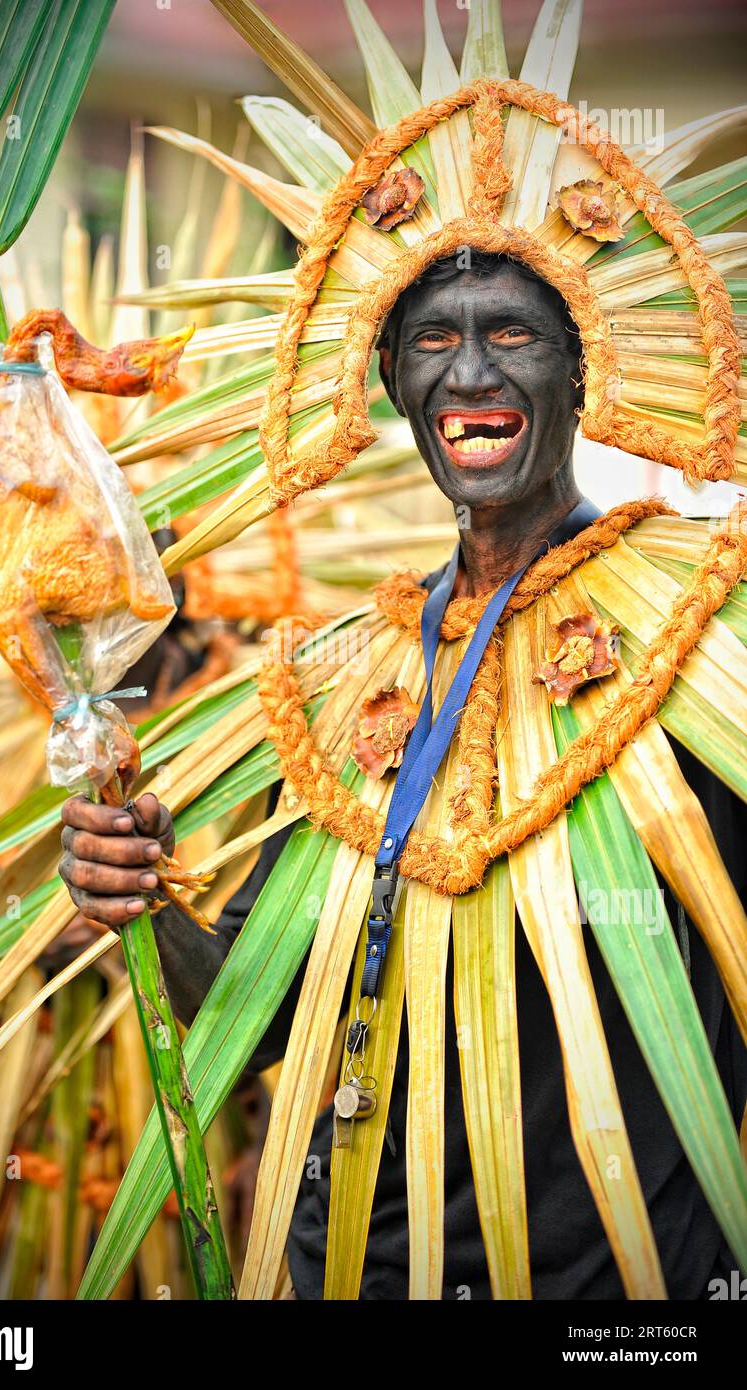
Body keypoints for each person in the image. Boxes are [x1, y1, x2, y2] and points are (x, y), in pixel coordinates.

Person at [59, 252, 746, 1298]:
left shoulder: (693, 630)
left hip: (619, 1288)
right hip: (361, 1268)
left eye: (512, 333)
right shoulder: (358, 678)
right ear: (390, 383)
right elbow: (261, 1017)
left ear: (582, 367)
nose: (470, 371)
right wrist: (140, 900)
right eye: (433, 340)